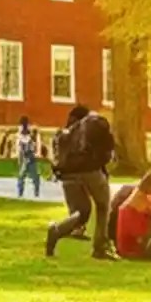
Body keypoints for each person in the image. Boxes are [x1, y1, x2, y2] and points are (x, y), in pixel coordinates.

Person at [46, 105, 116, 260]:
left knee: (82, 213)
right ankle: (100, 247)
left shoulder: (65, 133)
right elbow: (108, 149)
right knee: (103, 205)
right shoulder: (94, 123)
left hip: (68, 174)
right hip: (90, 170)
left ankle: (57, 230)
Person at [16, 116, 41, 198]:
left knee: (25, 176)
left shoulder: (28, 132)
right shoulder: (22, 132)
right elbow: (20, 144)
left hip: (28, 156)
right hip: (25, 156)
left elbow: (22, 143)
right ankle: (25, 193)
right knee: (24, 176)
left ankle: (24, 193)